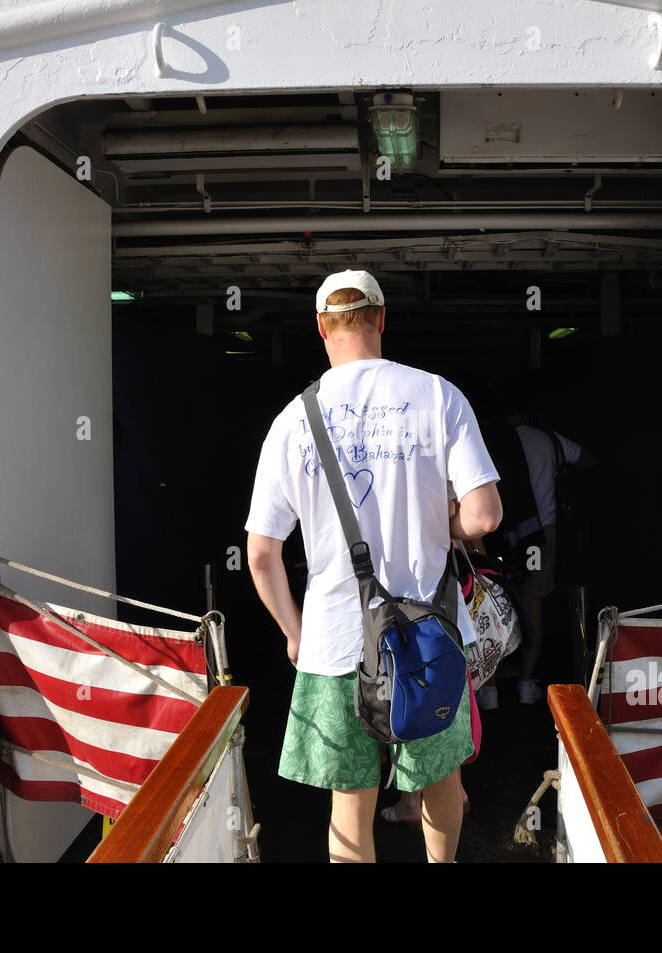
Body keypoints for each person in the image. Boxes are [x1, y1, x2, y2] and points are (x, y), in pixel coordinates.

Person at [245, 269, 502, 863]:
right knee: (443, 785)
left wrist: (294, 632)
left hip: (336, 640)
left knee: (350, 807)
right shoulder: (438, 395)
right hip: (433, 636)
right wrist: (441, 522)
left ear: (320, 329)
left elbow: (261, 553)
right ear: (382, 319)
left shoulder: (292, 421)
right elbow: (485, 516)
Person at [502, 390, 595, 704]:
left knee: (494, 606)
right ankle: (527, 684)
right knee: (534, 603)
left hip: (501, 532)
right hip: (543, 532)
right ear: (529, 413)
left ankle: (487, 688)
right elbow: (588, 459)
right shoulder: (548, 440)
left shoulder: (492, 443)